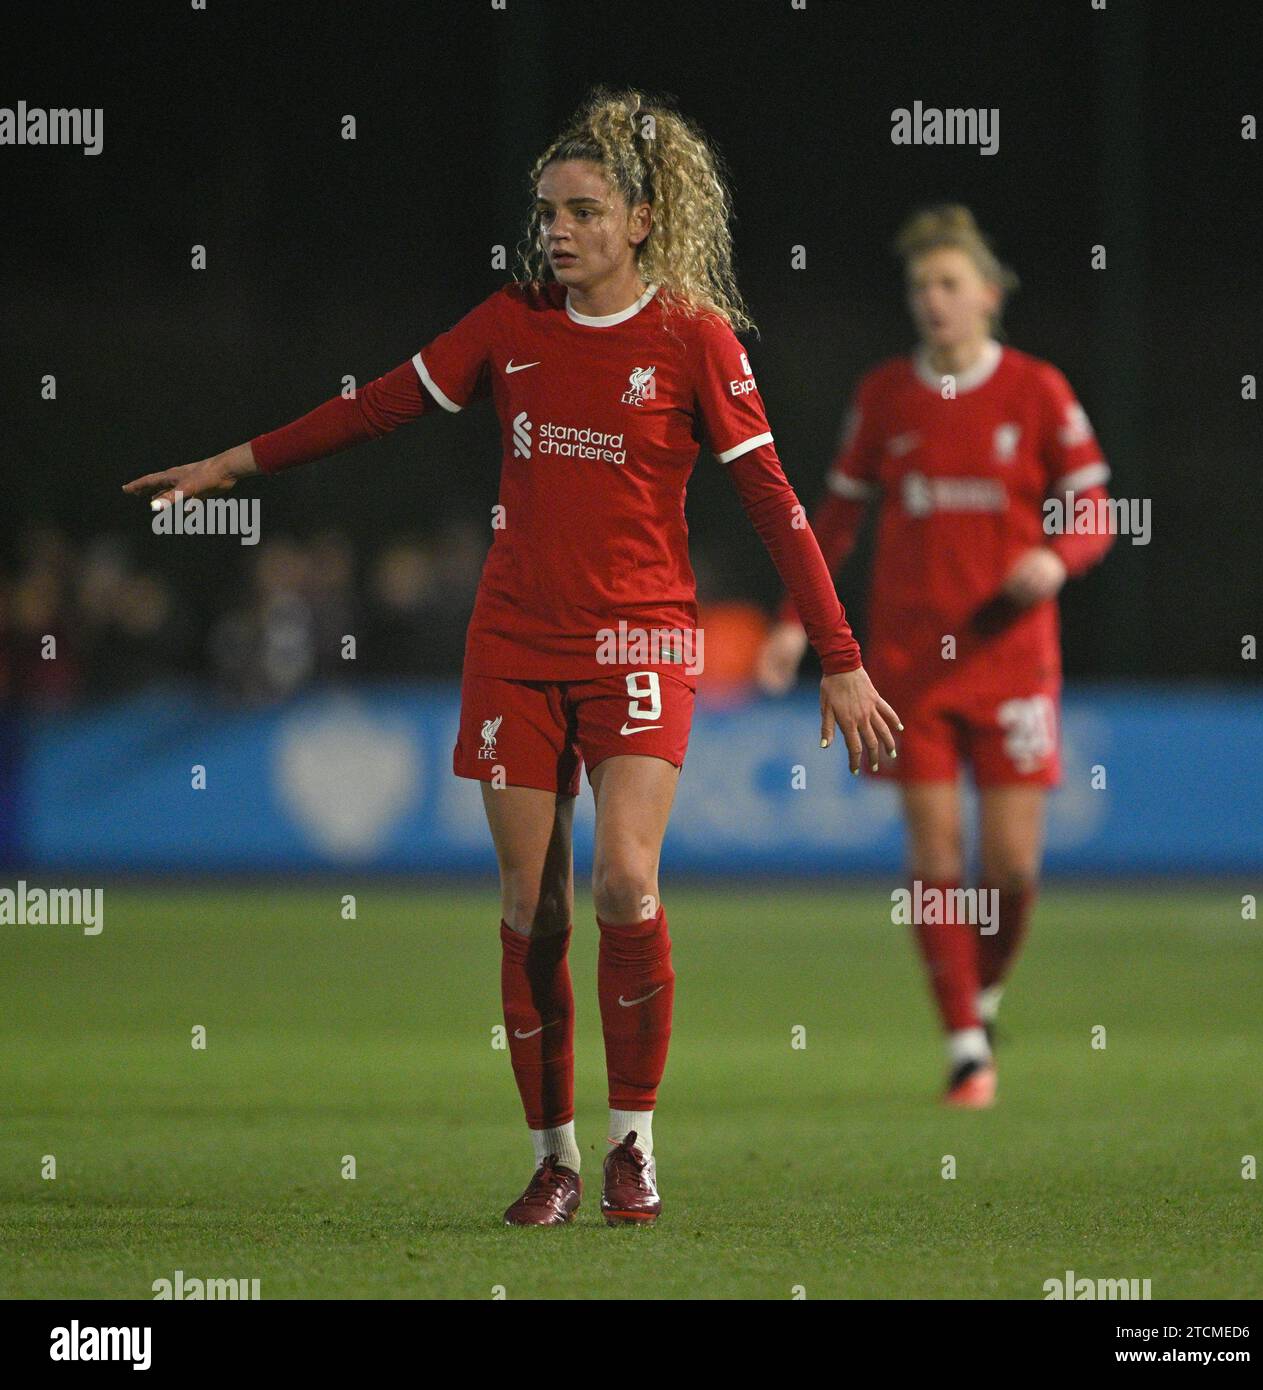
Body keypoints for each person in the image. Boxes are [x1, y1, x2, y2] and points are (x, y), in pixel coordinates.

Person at [123, 89, 900, 1223]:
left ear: (640, 219)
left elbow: (774, 502)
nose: (559, 230)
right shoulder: (511, 323)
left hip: (640, 636)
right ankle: (554, 1157)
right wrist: (234, 462)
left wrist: (839, 652)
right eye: (548, 211)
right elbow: (380, 404)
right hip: (517, 643)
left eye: (583, 210)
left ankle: (634, 1145)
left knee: (625, 880)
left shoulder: (694, 338)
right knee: (533, 906)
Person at [757, 205, 1114, 1108]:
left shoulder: (1037, 391)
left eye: (949, 284)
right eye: (920, 286)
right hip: (908, 666)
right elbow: (833, 521)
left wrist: (1055, 557)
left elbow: (1096, 510)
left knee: (1013, 868)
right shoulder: (886, 396)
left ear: (989, 296)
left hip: (1014, 663)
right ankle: (964, 1044)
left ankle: (981, 993)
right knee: (936, 853)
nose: (933, 300)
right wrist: (796, 625)